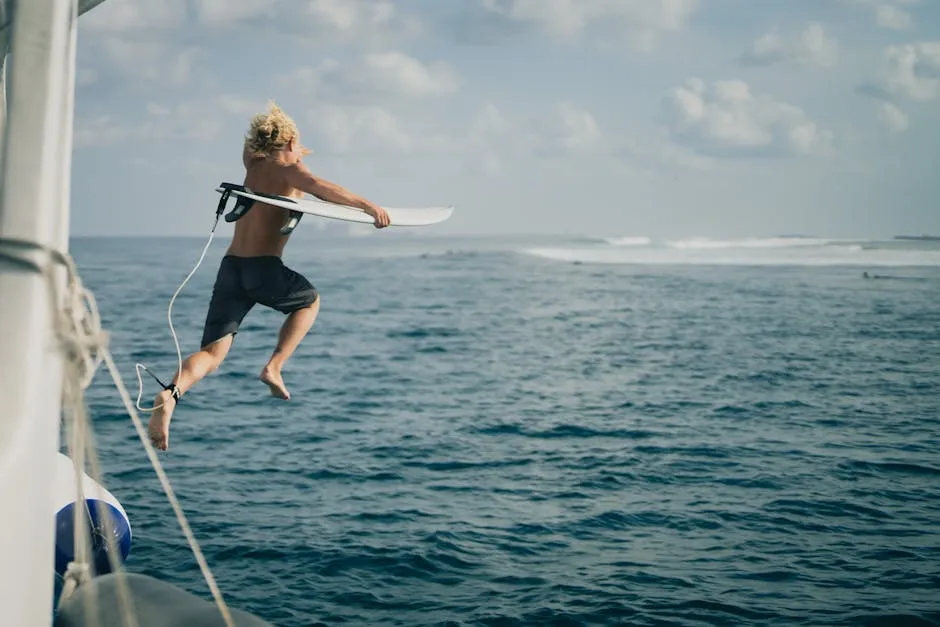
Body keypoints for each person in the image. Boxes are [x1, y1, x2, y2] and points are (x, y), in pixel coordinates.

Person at [147, 102, 390, 451]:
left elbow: (262, 147)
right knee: (310, 302)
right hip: (264, 268)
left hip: (231, 268)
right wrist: (369, 207)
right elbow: (322, 187)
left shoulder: (253, 164)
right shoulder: (290, 172)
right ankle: (274, 367)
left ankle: (170, 394)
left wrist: (287, 144)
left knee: (212, 355)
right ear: (289, 142)